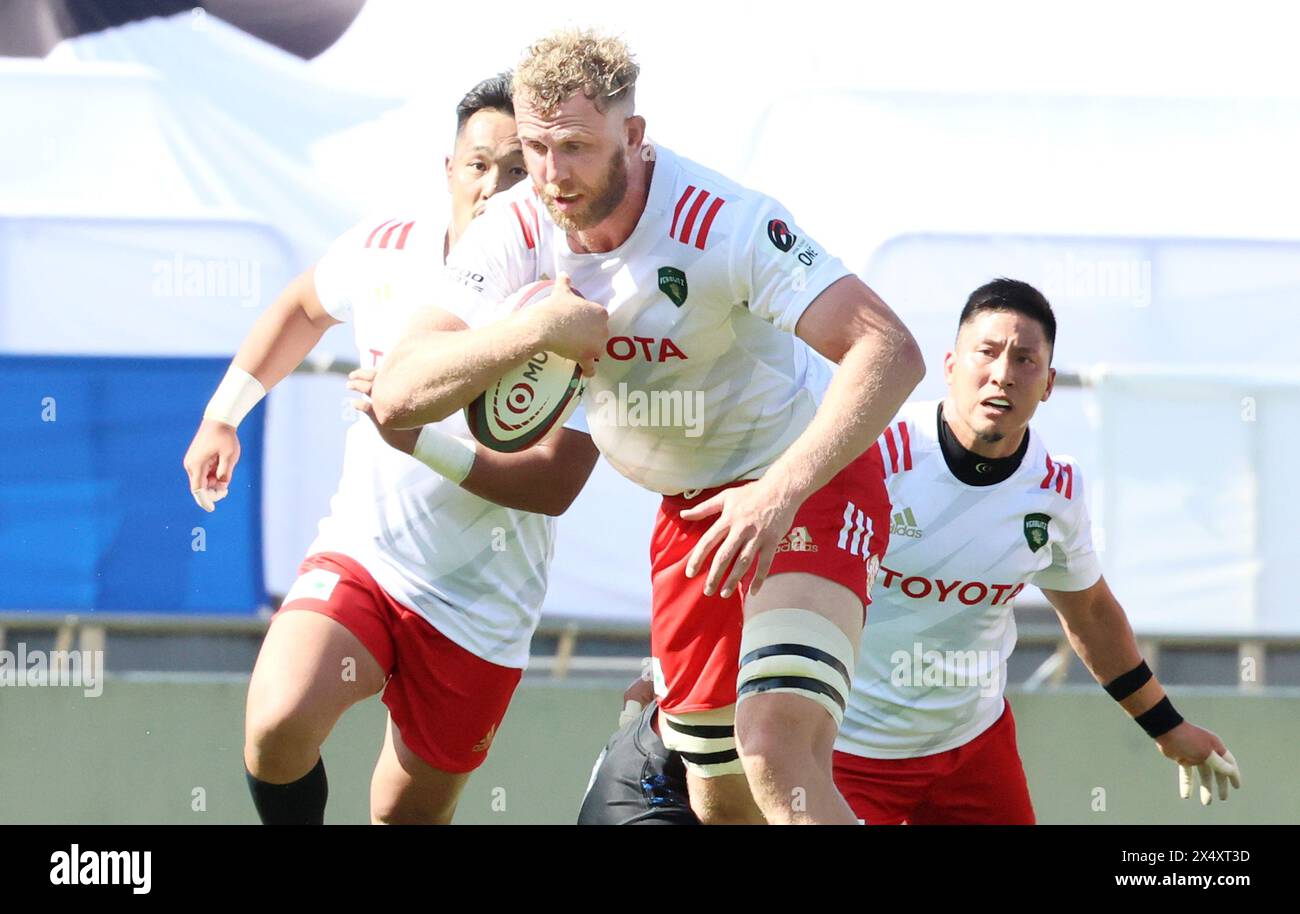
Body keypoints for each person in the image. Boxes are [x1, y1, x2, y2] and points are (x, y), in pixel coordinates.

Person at [371, 28, 925, 824]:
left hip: (806, 486)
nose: (552, 174)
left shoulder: (724, 221)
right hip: (691, 520)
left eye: (576, 148)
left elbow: (890, 350)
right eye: (535, 147)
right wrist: (535, 330)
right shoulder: (517, 227)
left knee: (776, 750)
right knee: (721, 801)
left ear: (633, 135)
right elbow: (397, 392)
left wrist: (776, 492)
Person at [576, 278, 1242, 825]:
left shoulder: (1056, 492)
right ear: (951, 366)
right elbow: (760, 551)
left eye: (1024, 361)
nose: (1002, 375)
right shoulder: (870, 458)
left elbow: (1091, 616)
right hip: (848, 753)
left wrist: (1168, 727)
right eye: (986, 353)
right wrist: (665, 669)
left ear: (1047, 383)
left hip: (971, 748)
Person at [181, 73, 599, 825]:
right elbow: (304, 305)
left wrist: (417, 443)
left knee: (401, 817)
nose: (494, 187)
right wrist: (225, 413)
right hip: (366, 557)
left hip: (481, 608)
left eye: (516, 170)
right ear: (449, 170)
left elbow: (558, 480)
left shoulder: (572, 302)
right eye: (478, 165)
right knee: (277, 726)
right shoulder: (388, 247)